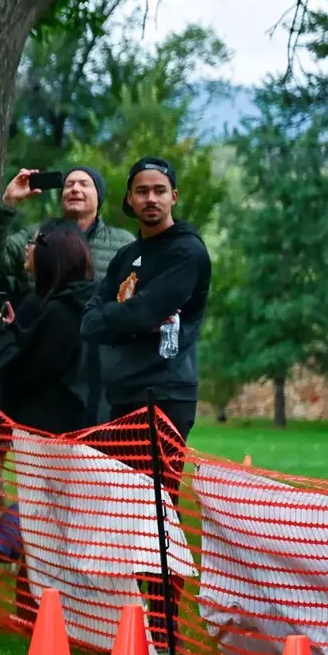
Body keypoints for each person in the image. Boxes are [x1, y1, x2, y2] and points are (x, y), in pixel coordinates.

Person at [80, 156, 211, 444]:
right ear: (130, 198)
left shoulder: (187, 251)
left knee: (155, 477)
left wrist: (116, 314)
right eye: (142, 191)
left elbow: (143, 314)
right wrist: (126, 315)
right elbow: (88, 324)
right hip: (122, 393)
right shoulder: (126, 255)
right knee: (118, 477)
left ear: (173, 197)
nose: (151, 199)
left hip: (166, 395)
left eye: (159, 191)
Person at [0, 219, 96, 434]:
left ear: (52, 253)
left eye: (33, 243)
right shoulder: (85, 302)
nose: (27, 248)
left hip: (52, 434)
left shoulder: (61, 312)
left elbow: (19, 372)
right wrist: (16, 331)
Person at [0, 166, 131, 297]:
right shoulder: (37, 236)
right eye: (68, 185)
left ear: (99, 196)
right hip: (40, 322)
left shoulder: (123, 243)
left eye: (84, 184)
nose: (75, 189)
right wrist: (8, 202)